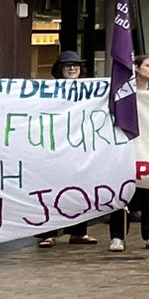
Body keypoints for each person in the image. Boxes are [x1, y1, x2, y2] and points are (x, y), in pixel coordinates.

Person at [40, 52, 120, 247]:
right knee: (51, 192)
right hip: (55, 146)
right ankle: (47, 234)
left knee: (80, 190)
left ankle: (78, 232)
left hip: (80, 147)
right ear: (59, 69)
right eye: (67, 65)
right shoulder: (47, 89)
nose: (72, 68)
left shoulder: (90, 90)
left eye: (75, 65)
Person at [110, 54, 149, 252]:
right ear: (136, 67)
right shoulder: (123, 92)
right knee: (122, 192)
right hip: (126, 148)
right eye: (148, 65)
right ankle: (118, 236)